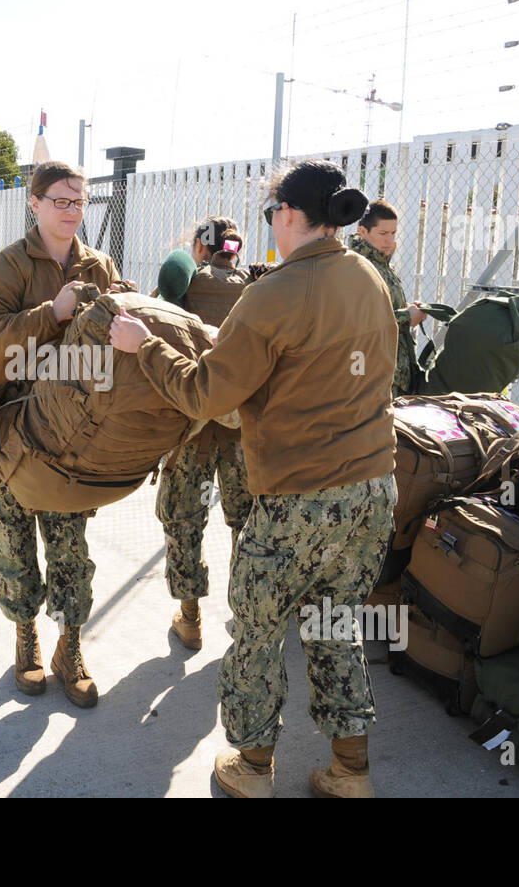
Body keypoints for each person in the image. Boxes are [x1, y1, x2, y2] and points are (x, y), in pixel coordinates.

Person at [109, 159, 398, 799]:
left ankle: (253, 768)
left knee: (259, 631)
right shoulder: (369, 279)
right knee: (334, 624)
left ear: (290, 216)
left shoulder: (274, 292)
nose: (270, 225)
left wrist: (143, 344)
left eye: (272, 214)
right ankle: (351, 772)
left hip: (299, 495)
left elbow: (207, 393)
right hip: (372, 488)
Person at [0, 160, 121, 709]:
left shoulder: (98, 265)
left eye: (80, 201)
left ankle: (69, 645)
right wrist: (49, 313)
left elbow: (121, 313)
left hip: (72, 433)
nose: (74, 211)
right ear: (34, 203)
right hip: (11, 422)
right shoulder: (10, 265)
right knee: (11, 541)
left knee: (70, 546)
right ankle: (25, 636)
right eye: (62, 201)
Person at [157, 216, 254, 652]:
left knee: (184, 521)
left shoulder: (184, 285)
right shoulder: (255, 288)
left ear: (201, 244)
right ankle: (247, 614)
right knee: (247, 524)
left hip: (190, 430)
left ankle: (191, 617)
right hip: (242, 435)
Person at [347, 201, 426, 396]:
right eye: (383, 234)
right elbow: (361, 324)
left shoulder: (382, 264)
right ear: (363, 232)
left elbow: (385, 309)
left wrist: (409, 309)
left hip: (392, 373)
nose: (389, 240)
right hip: (372, 376)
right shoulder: (357, 267)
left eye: (393, 233)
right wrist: (407, 317)